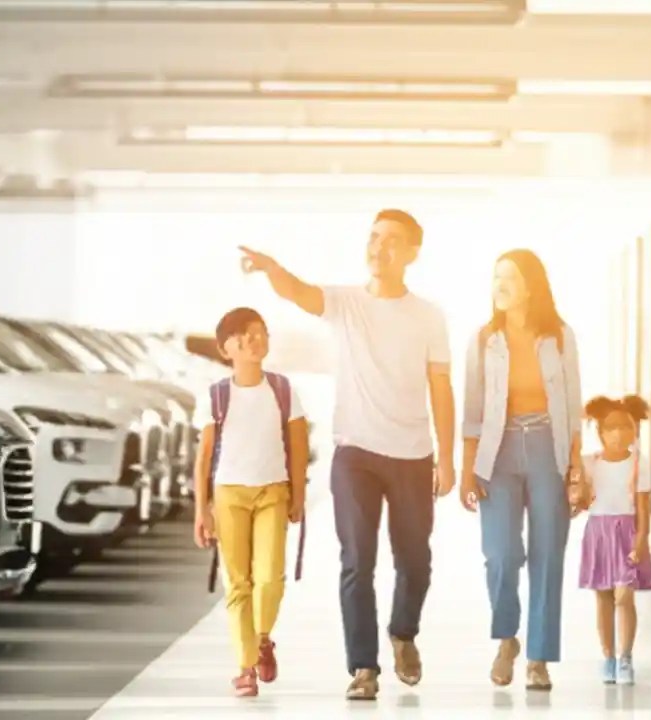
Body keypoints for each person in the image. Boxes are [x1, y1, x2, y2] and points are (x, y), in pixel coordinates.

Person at [239, 209, 456, 701]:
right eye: (374, 237)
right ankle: (363, 667)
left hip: (413, 455)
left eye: (392, 241)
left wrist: (447, 456)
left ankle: (403, 633)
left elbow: (440, 387)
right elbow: (298, 291)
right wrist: (272, 268)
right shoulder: (345, 303)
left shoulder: (429, 316)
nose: (379, 248)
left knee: (415, 560)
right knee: (358, 559)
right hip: (355, 452)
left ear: (412, 253)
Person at [460, 248, 583, 692]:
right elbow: (472, 410)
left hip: (549, 448)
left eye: (509, 277)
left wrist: (576, 469)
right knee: (501, 555)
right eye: (496, 277)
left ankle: (538, 658)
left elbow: (573, 406)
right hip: (498, 452)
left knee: (549, 555)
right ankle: (507, 636)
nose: (500, 285)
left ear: (531, 285)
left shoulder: (561, 336)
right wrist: (466, 468)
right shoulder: (483, 339)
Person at [192, 307, 310, 698]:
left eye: (259, 333)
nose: (253, 342)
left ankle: (262, 638)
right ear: (226, 349)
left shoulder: (282, 389)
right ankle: (245, 667)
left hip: (273, 491)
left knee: (270, 576)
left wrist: (299, 493)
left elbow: (297, 445)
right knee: (237, 583)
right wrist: (201, 510)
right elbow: (204, 457)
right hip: (229, 495)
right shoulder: (215, 395)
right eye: (242, 337)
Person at [578, 394, 651, 686]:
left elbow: (643, 508)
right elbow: (580, 500)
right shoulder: (589, 463)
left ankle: (626, 657)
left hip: (627, 532)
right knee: (603, 597)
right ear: (600, 431)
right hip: (598, 533)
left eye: (625, 426)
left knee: (624, 596)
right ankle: (608, 656)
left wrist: (640, 542)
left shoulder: (640, 463)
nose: (619, 433)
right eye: (611, 427)